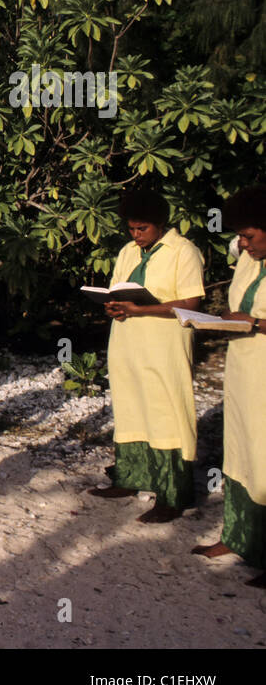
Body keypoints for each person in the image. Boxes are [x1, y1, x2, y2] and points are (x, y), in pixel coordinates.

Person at [89, 188, 204, 522]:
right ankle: (130, 477)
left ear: (160, 223)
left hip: (163, 344)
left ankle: (172, 495)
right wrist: (114, 306)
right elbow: (118, 288)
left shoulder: (184, 251)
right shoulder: (127, 251)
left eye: (143, 229)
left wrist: (142, 309)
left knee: (166, 410)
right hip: (127, 341)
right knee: (131, 407)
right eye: (131, 229)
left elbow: (192, 303)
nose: (136, 235)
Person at [193, 184, 266, 587]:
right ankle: (238, 536)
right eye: (240, 236)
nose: (243, 244)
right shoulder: (249, 261)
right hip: (243, 370)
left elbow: (253, 317)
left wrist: (252, 323)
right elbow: (238, 307)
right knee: (242, 448)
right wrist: (223, 318)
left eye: (250, 237)